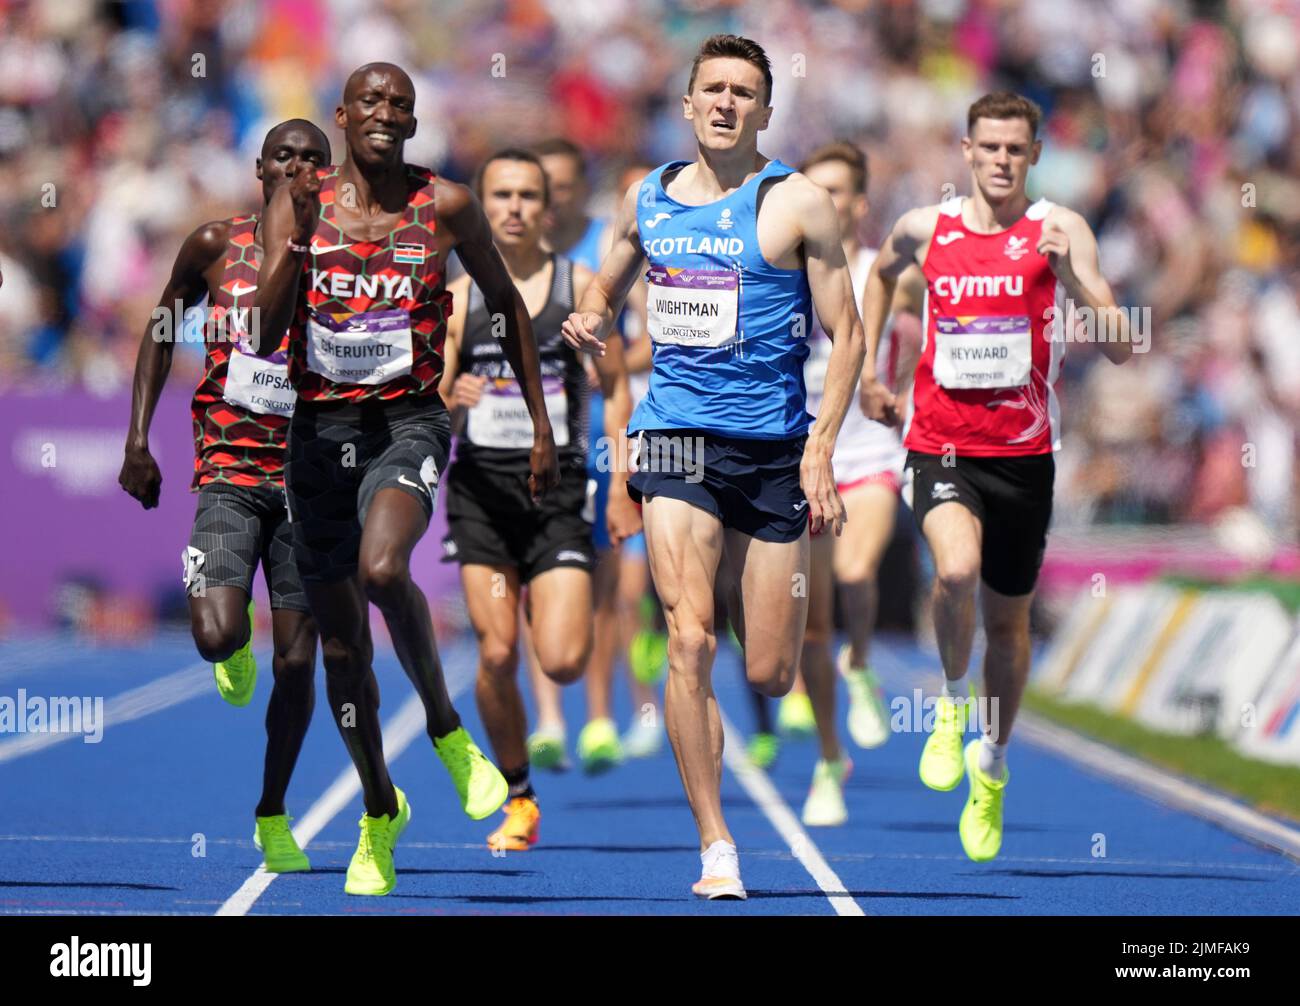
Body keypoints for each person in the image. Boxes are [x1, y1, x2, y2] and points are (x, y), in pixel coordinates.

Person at [562, 35, 865, 900]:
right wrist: (589, 318)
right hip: (675, 440)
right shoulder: (646, 198)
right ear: (688, 104)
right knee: (688, 638)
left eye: (745, 92)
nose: (728, 104)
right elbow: (602, 285)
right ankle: (716, 843)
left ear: (766, 111)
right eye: (714, 90)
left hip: (772, 449)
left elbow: (849, 333)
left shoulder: (798, 202)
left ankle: (746, 685)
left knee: (767, 667)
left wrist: (820, 451)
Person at [252, 63, 560, 896]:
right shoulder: (299, 198)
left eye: (403, 105)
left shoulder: (446, 204)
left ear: (414, 124)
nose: (388, 114)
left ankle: (448, 729)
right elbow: (263, 331)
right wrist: (293, 239)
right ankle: (380, 811)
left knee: (385, 567)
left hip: (407, 424)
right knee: (344, 654)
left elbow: (509, 306)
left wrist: (538, 423)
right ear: (344, 115)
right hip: (317, 433)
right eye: (374, 102)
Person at [861, 91, 1135, 862]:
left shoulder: (1061, 229)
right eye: (989, 147)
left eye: (1016, 148)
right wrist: (874, 375)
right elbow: (879, 277)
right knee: (954, 571)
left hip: (1022, 459)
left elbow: (1119, 343)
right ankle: (950, 708)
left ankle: (993, 764)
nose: (1002, 160)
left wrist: (1073, 283)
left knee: (1009, 630)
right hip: (940, 444)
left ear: (1035, 154)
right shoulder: (927, 227)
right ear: (967, 149)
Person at [119, 119, 330, 875]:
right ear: (260, 168)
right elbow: (162, 324)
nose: (298, 167)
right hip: (229, 476)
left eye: (313, 159)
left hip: (311, 486)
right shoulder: (215, 244)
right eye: (285, 156)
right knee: (213, 633)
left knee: (299, 666)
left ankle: (273, 813)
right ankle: (230, 642)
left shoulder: (345, 257)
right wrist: (138, 437)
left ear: (328, 177)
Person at [439, 148, 638, 851]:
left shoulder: (578, 284)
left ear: (546, 208)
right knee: (495, 654)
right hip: (482, 498)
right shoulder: (459, 298)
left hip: (557, 497)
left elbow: (615, 386)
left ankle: (545, 608)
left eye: (528, 195)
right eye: (501, 196)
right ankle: (520, 797)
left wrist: (620, 482)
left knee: (560, 661)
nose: (515, 208)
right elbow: (428, 398)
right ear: (480, 208)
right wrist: (452, 399)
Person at [791, 141, 917, 826]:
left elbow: (933, 330)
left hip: (868, 453)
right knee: (809, 630)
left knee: (855, 568)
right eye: (816, 190)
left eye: (838, 191)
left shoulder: (885, 272)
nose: (827, 203)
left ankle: (862, 661)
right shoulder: (782, 272)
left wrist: (898, 387)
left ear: (859, 203)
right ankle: (829, 756)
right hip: (804, 460)